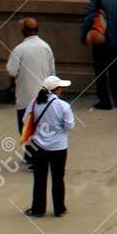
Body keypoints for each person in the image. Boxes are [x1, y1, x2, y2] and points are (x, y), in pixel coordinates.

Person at [24, 75, 75, 218]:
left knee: (39, 178)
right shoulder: (63, 105)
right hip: (59, 147)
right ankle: (59, 209)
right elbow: (70, 125)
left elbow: (26, 119)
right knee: (58, 177)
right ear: (56, 90)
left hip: (39, 146)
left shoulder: (35, 102)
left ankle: (38, 209)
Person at [6, 18, 55, 130]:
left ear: (23, 30)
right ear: (37, 30)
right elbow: (52, 73)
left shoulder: (19, 49)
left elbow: (12, 71)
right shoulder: (46, 47)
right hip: (44, 99)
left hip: (25, 99)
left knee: (26, 132)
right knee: (43, 131)